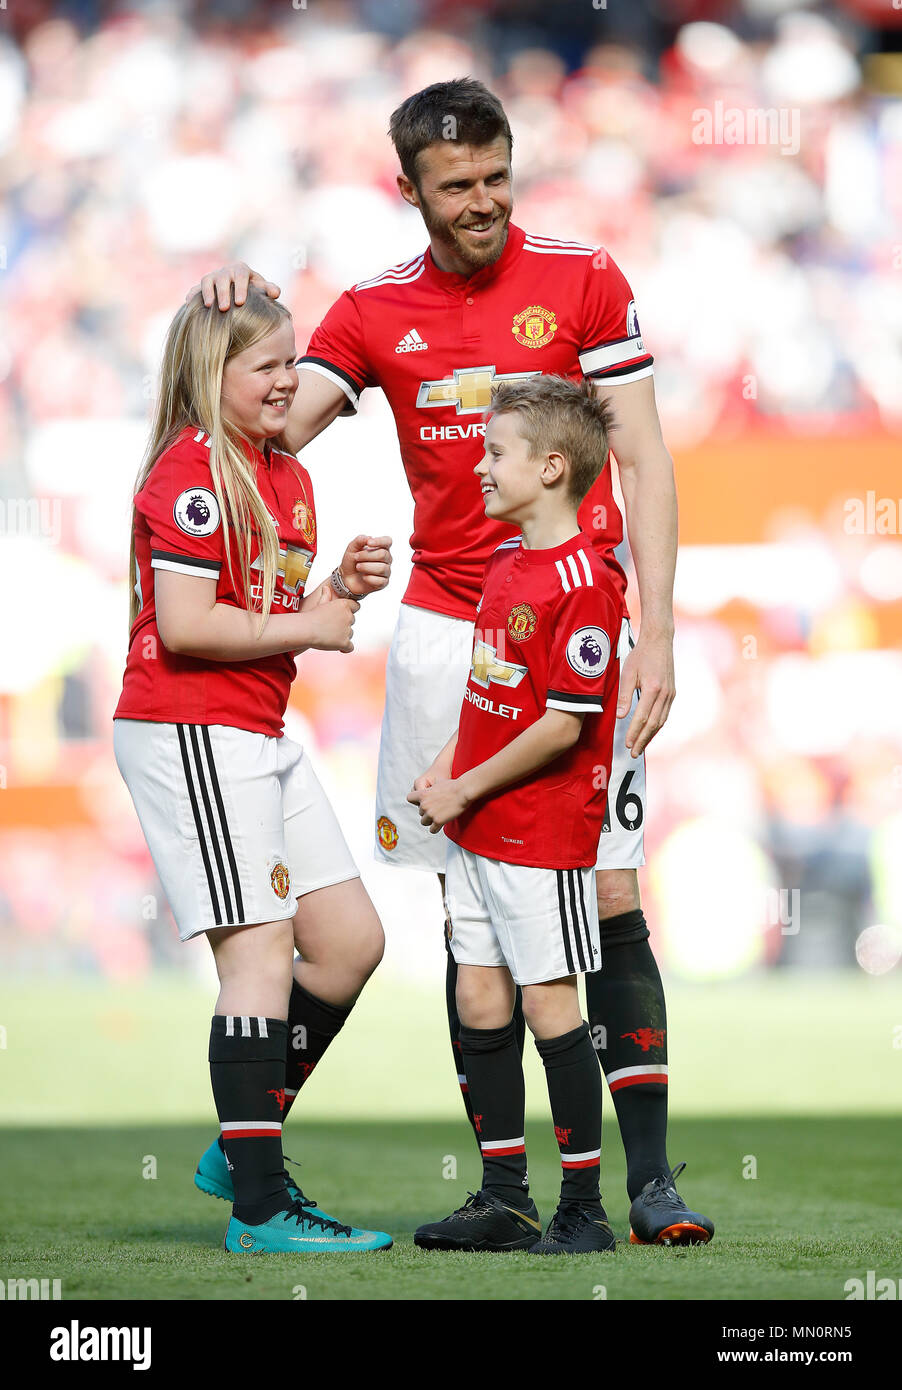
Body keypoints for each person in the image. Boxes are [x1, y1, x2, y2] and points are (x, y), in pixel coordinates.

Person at [196, 77, 714, 1244]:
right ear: (409, 190)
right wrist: (226, 312)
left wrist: (661, 631)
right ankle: (500, 1190)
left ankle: (647, 1184)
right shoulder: (371, 312)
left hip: (576, 634)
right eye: (455, 187)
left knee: (612, 890)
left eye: (495, 179)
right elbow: (267, 420)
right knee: (467, 909)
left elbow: (641, 452)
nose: (480, 204)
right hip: (443, 638)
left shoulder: (584, 278)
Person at [113, 287, 394, 1254]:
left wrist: (328, 596)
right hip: (188, 726)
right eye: (267, 365)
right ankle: (262, 1210)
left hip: (253, 728)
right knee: (261, 955)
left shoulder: (286, 477)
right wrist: (313, 622)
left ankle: (244, 1146)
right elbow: (188, 628)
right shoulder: (192, 473)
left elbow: (259, 617)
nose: (290, 380)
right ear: (211, 375)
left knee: (351, 941)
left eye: (293, 361)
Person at [410, 376, 623, 1255]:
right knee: (480, 993)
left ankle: (584, 1209)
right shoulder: (502, 566)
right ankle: (504, 1196)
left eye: (495, 452)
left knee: (547, 1002)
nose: (480, 465)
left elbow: (564, 722)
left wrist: (467, 786)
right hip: (476, 826)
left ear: (551, 467)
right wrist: (443, 769)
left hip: (539, 832)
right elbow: (489, 690)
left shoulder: (590, 579)